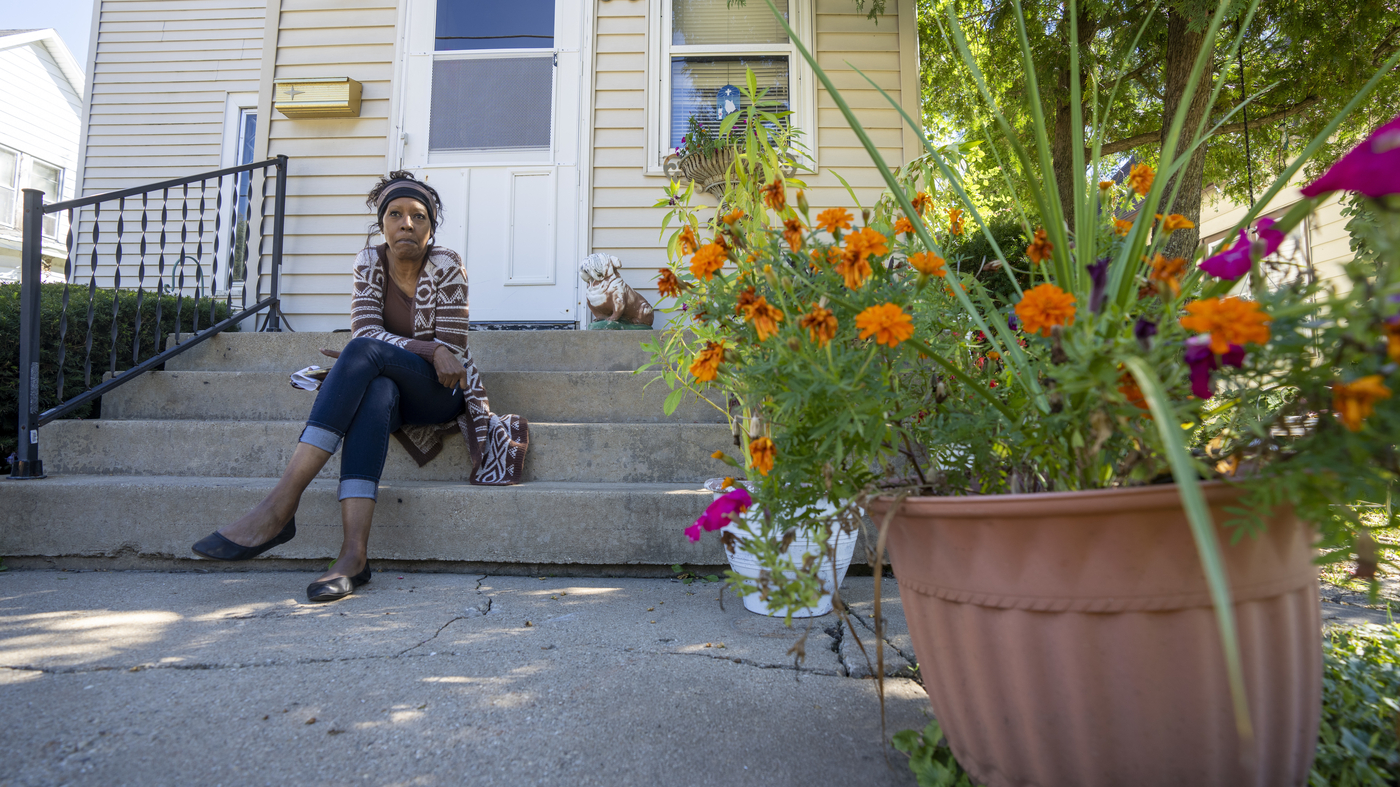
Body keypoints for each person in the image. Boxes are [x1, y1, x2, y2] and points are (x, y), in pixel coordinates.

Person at [191, 171, 529, 601]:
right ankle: (353, 556)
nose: (407, 223)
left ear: (431, 228)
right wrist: (423, 350)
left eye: (419, 216)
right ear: (382, 224)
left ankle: (280, 506)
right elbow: (374, 332)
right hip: (393, 392)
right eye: (396, 214)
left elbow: (451, 354)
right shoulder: (369, 263)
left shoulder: (447, 265)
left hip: (441, 394)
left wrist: (416, 353)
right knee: (375, 391)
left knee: (361, 352)